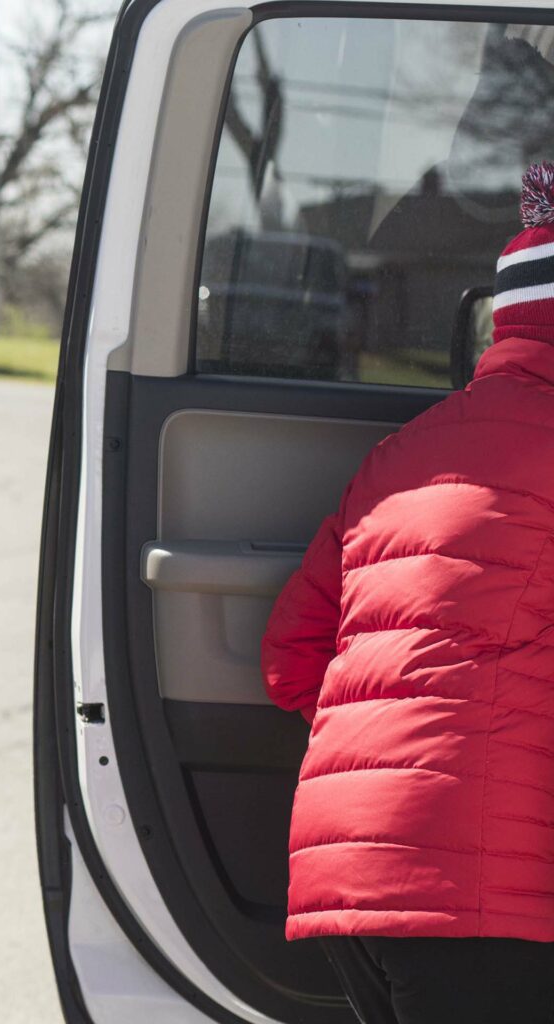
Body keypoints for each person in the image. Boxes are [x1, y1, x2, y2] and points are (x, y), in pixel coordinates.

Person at [262, 163, 554, 1023]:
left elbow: (290, 661)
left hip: (347, 872)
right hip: (485, 888)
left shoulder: (401, 453)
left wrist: (404, 761)